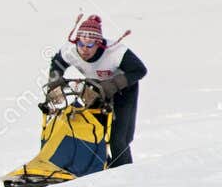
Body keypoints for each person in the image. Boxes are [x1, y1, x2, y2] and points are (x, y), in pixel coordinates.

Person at [48, 14, 147, 168]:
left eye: (90, 46)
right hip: (95, 87)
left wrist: (113, 84)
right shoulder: (70, 50)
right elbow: (56, 65)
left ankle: (124, 170)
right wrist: (55, 85)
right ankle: (93, 167)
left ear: (99, 44)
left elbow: (140, 70)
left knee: (118, 138)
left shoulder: (116, 52)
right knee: (89, 129)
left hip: (124, 89)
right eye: (81, 44)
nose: (84, 50)